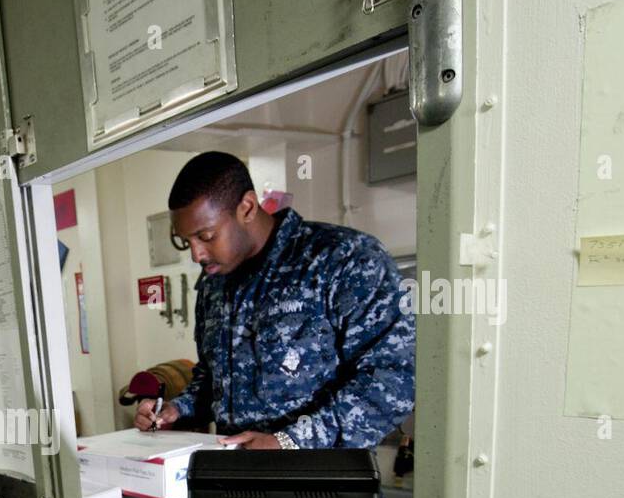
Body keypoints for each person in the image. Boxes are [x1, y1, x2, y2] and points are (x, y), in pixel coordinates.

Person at [134, 152, 415, 449]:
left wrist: (290, 441)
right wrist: (177, 409)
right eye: (184, 241)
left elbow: (393, 379)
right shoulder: (214, 284)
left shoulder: (343, 260)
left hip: (322, 485)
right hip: (237, 479)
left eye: (206, 236)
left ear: (247, 208)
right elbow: (212, 379)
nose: (196, 255)